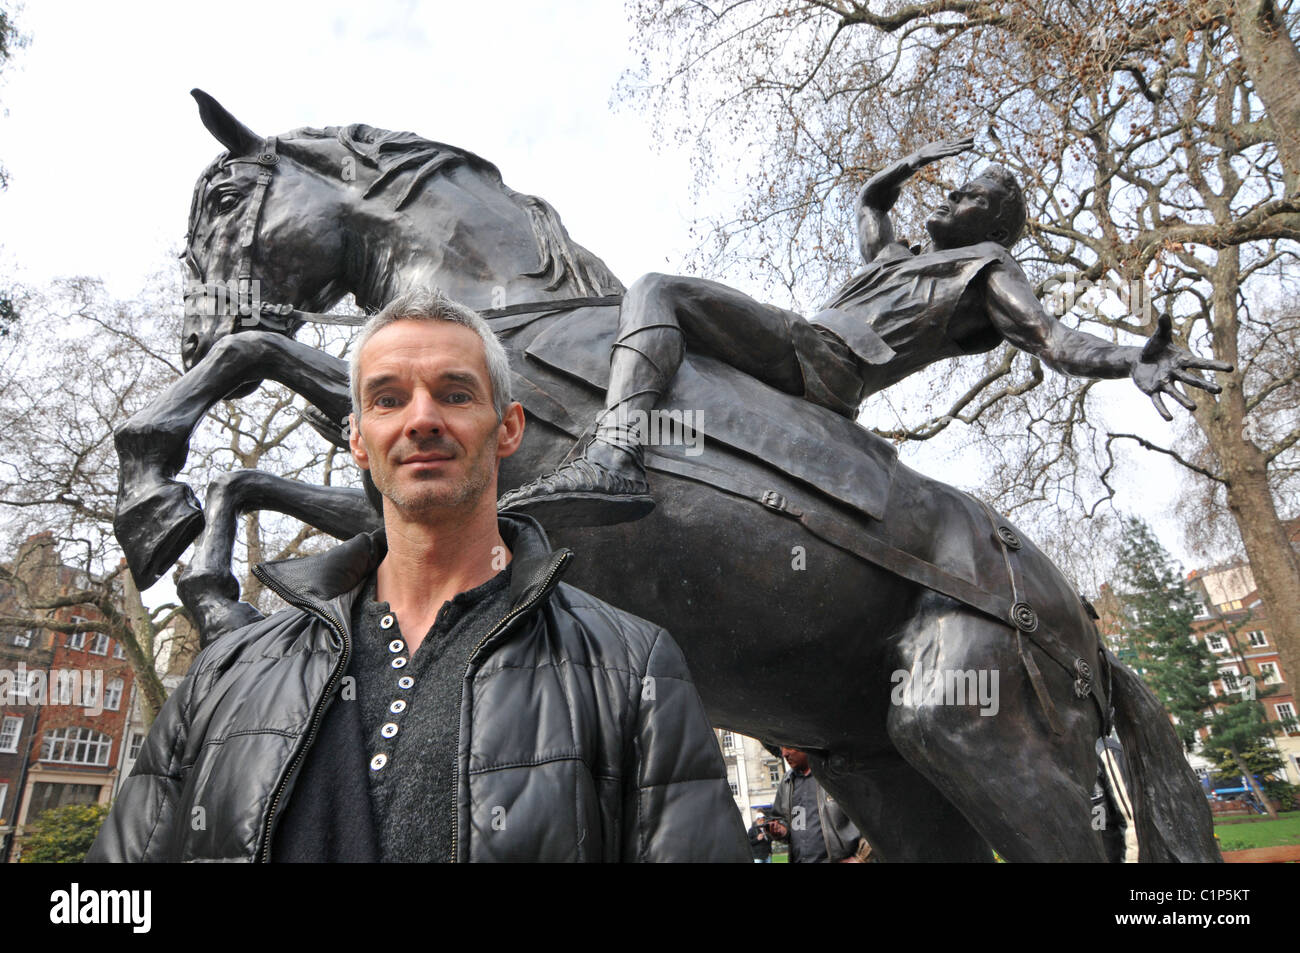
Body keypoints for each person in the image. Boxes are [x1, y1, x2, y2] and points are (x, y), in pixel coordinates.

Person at [88, 287, 751, 863]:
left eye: (455, 393)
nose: (423, 418)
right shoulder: (224, 673)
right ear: (357, 438)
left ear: (508, 428)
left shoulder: (632, 669)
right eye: (388, 398)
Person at [498, 138, 1230, 525]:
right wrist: (902, 170)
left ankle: (615, 454)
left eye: (971, 193)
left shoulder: (987, 267)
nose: (953, 192)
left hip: (822, 360)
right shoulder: (901, 258)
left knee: (657, 290)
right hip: (808, 349)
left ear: (994, 223)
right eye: (956, 184)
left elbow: (1051, 338)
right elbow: (872, 205)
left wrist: (1132, 355)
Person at [767, 747, 869, 864]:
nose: (784, 754)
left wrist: (861, 858)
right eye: (781, 748)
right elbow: (785, 821)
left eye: (789, 747)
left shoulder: (837, 775)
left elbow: (872, 820)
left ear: (804, 744)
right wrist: (781, 830)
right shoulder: (787, 782)